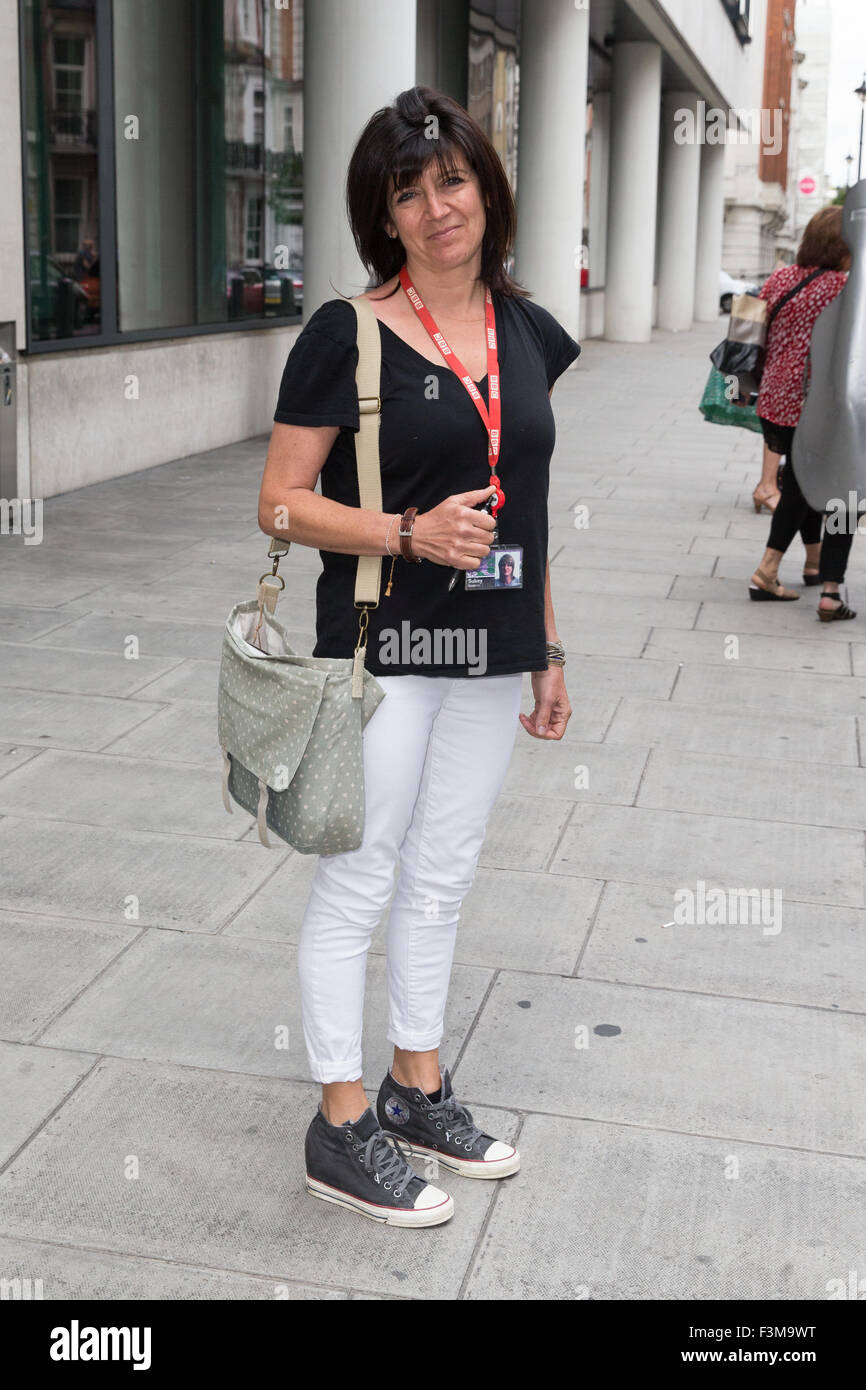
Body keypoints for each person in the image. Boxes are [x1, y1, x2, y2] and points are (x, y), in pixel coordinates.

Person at [258, 86, 579, 1228]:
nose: (436, 206)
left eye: (451, 181)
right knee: (361, 875)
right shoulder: (343, 332)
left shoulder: (529, 328)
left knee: (442, 874)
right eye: (407, 192)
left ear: (487, 191)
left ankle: (414, 1086)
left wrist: (544, 645)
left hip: (492, 651)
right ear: (382, 217)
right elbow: (280, 504)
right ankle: (338, 1122)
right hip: (383, 649)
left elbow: (528, 503)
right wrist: (402, 530)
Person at [748, 206, 852, 616]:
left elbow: (750, 327)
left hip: (774, 399)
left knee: (802, 478)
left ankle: (813, 564)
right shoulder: (844, 288)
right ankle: (770, 571)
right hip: (820, 405)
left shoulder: (780, 278)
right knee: (817, 487)